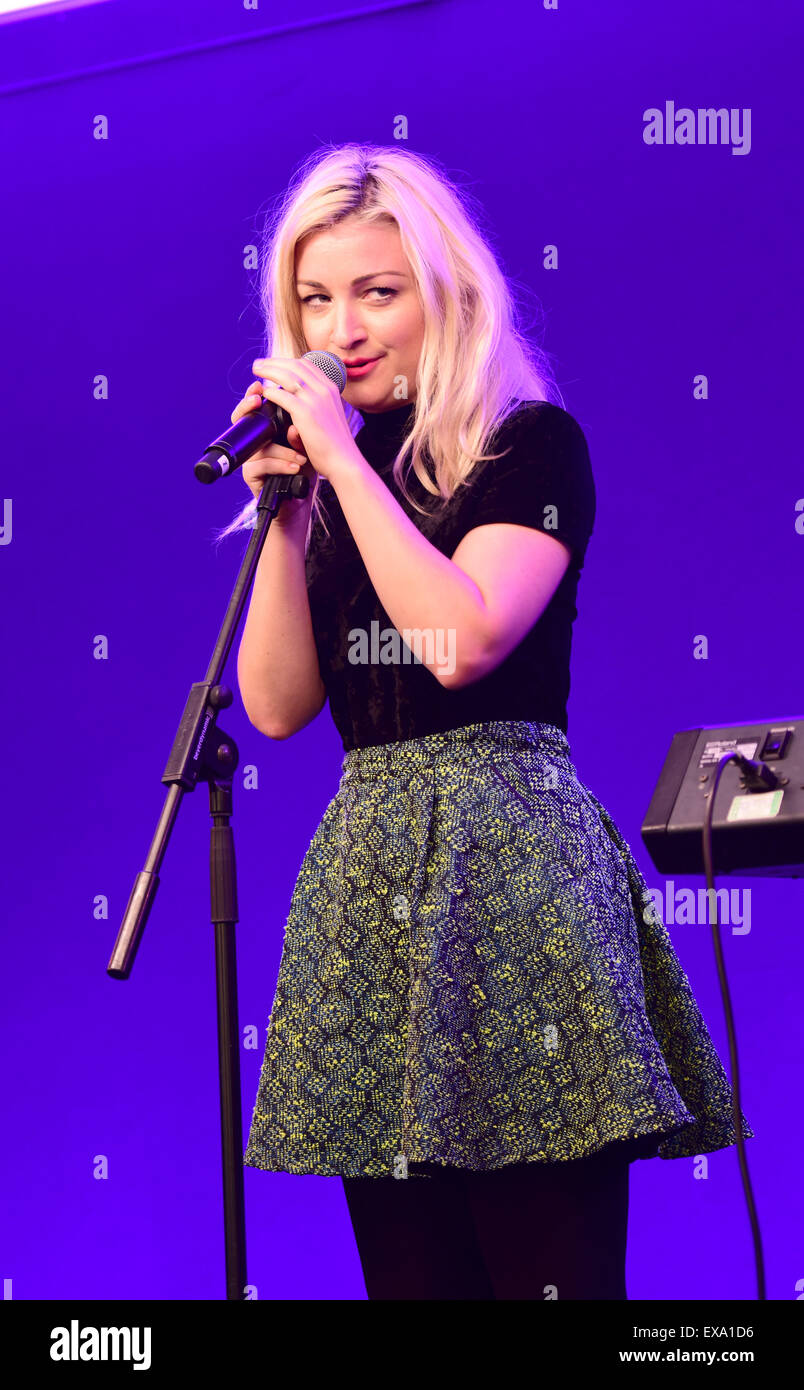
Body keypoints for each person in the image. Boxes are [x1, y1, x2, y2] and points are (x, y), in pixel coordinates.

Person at [215, 142, 753, 1301]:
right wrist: (292, 516)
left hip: (510, 864)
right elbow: (274, 705)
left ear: (443, 295)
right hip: (373, 879)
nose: (340, 328)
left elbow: (462, 643)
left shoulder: (528, 445)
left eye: (376, 291)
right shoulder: (339, 482)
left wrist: (348, 475)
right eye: (314, 298)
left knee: (545, 1267)